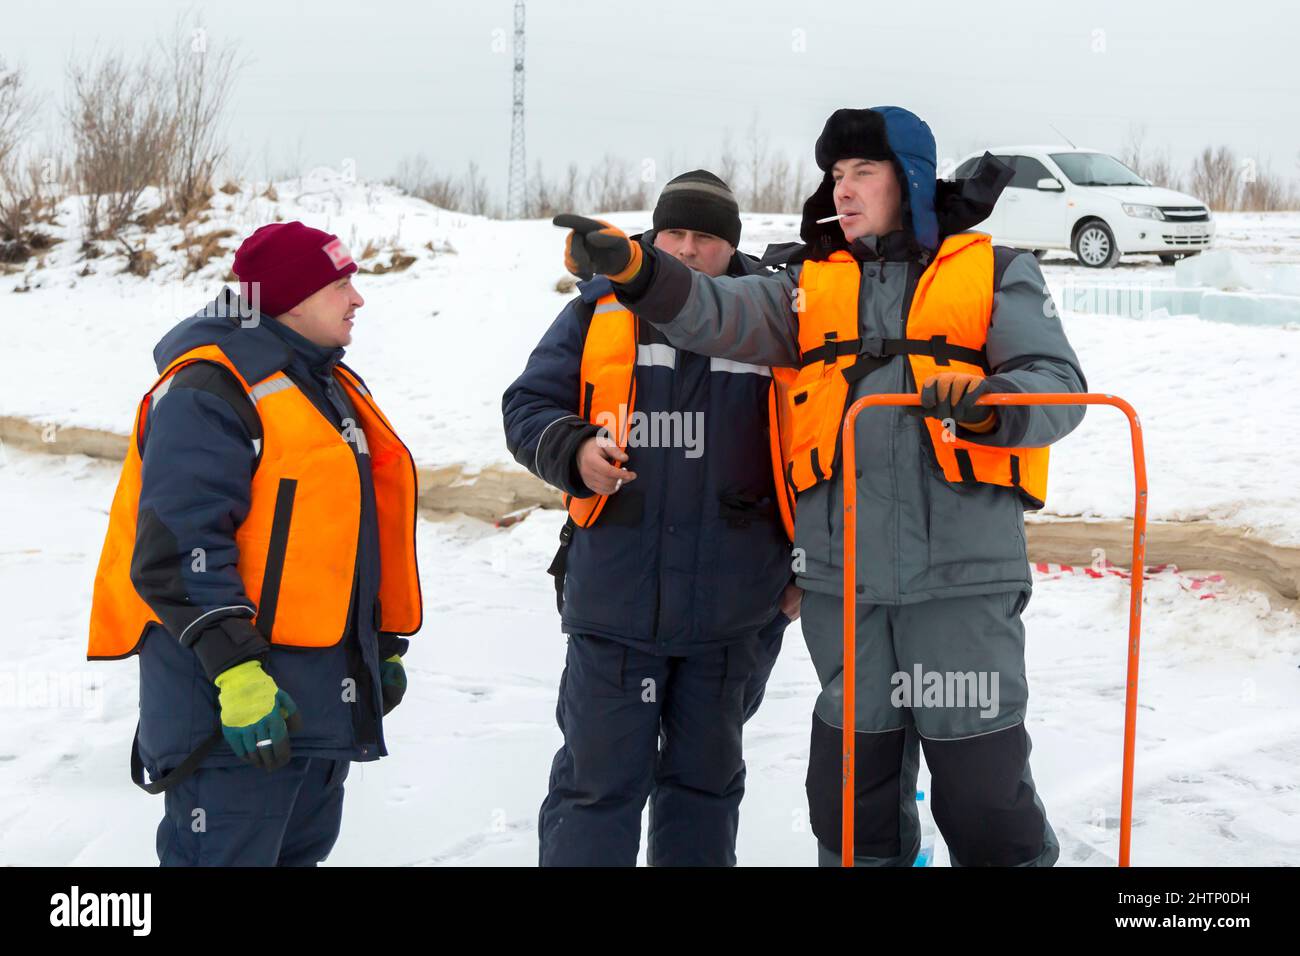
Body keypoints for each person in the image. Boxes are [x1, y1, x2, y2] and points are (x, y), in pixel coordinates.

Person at [554, 108, 1088, 867]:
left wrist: (988, 404)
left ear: (908, 179)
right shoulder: (803, 287)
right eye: (835, 176)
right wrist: (638, 270)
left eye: (862, 172)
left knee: (980, 789)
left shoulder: (994, 271)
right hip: (843, 587)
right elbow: (709, 311)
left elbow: (1059, 387)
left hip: (958, 578)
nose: (843, 189)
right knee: (849, 796)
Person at [88, 221, 422, 866]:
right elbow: (179, 547)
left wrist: (377, 644)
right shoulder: (209, 390)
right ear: (292, 297)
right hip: (235, 710)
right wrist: (238, 674)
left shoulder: (323, 386)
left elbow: (329, 541)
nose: (358, 300)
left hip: (315, 703)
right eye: (341, 284)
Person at [504, 170, 798, 866]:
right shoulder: (601, 309)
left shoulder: (779, 319)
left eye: (706, 237)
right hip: (616, 607)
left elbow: (824, 459)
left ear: (733, 248)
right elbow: (528, 407)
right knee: (596, 790)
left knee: (704, 791)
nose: (689, 249)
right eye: (676, 232)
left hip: (734, 618)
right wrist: (574, 451)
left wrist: (805, 574)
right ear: (653, 235)